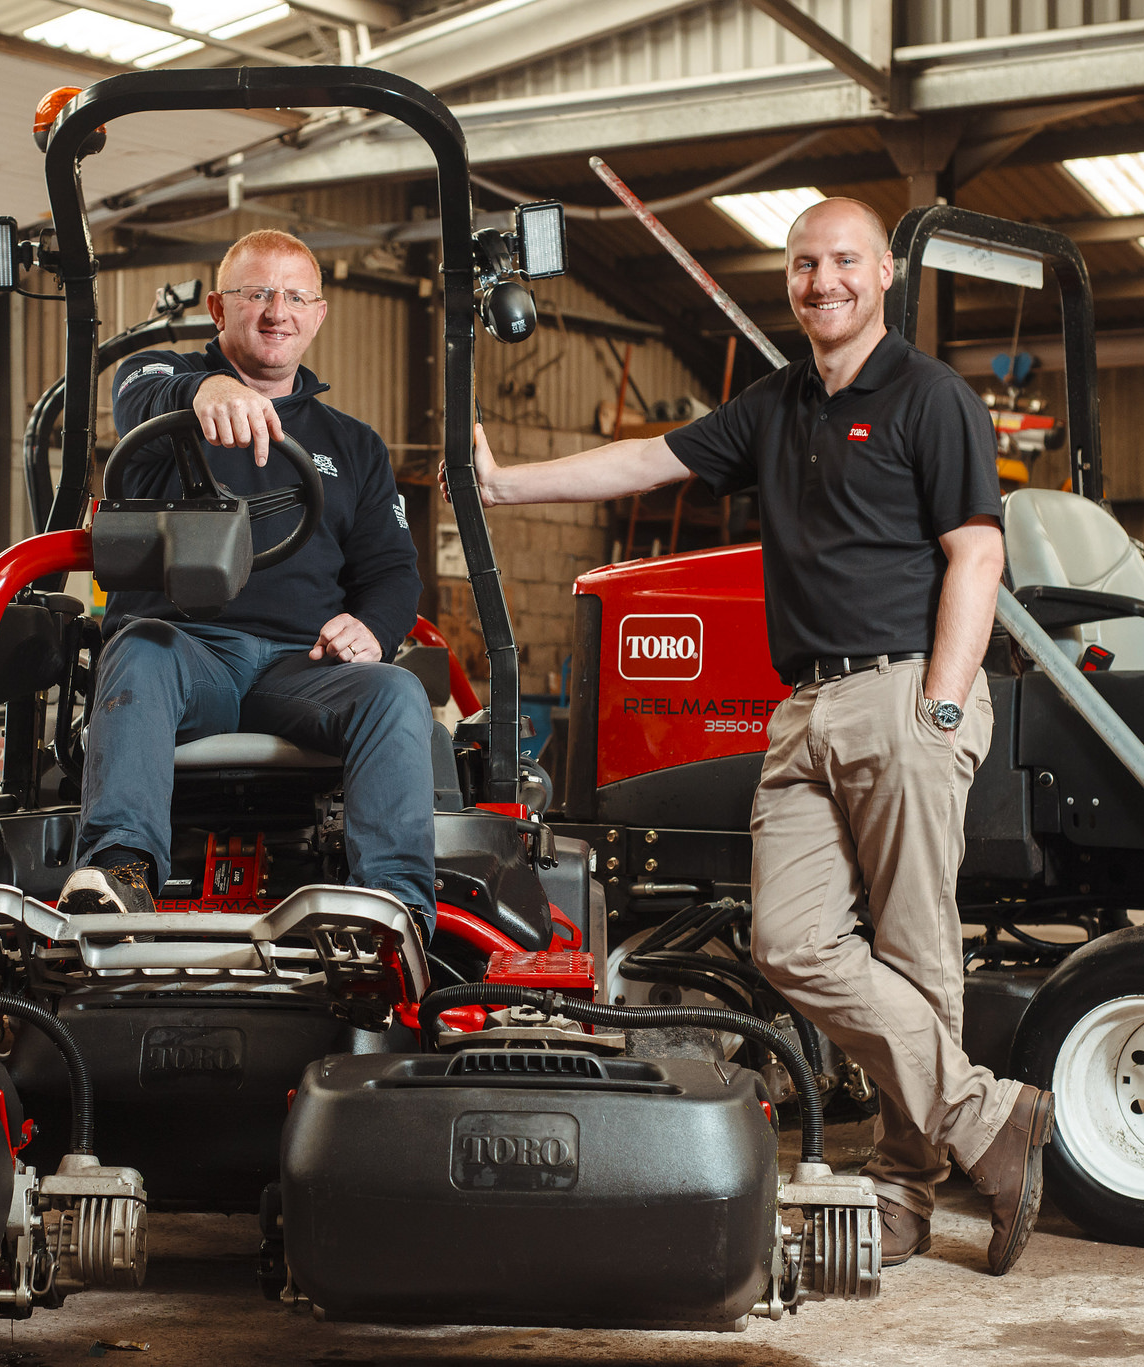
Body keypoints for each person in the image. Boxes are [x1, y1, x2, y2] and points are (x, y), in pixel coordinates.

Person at [450, 197, 1052, 1276]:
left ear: (881, 277)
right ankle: (987, 1117)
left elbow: (974, 554)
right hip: (804, 709)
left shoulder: (930, 396)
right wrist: (503, 484)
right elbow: (642, 462)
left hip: (902, 694)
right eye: (802, 264)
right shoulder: (773, 405)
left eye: (841, 263)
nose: (820, 281)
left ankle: (904, 1189)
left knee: (916, 961)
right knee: (788, 942)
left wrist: (944, 705)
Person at [62, 228, 436, 937]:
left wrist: (374, 628)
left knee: (396, 690)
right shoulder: (162, 390)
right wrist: (207, 387)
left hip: (303, 668)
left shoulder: (354, 446)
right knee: (138, 648)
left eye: (295, 296)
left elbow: (390, 571)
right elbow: (136, 387)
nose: (276, 311)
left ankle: (392, 907)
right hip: (187, 655)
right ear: (217, 307)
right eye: (257, 293)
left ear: (318, 315)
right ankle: (119, 870)